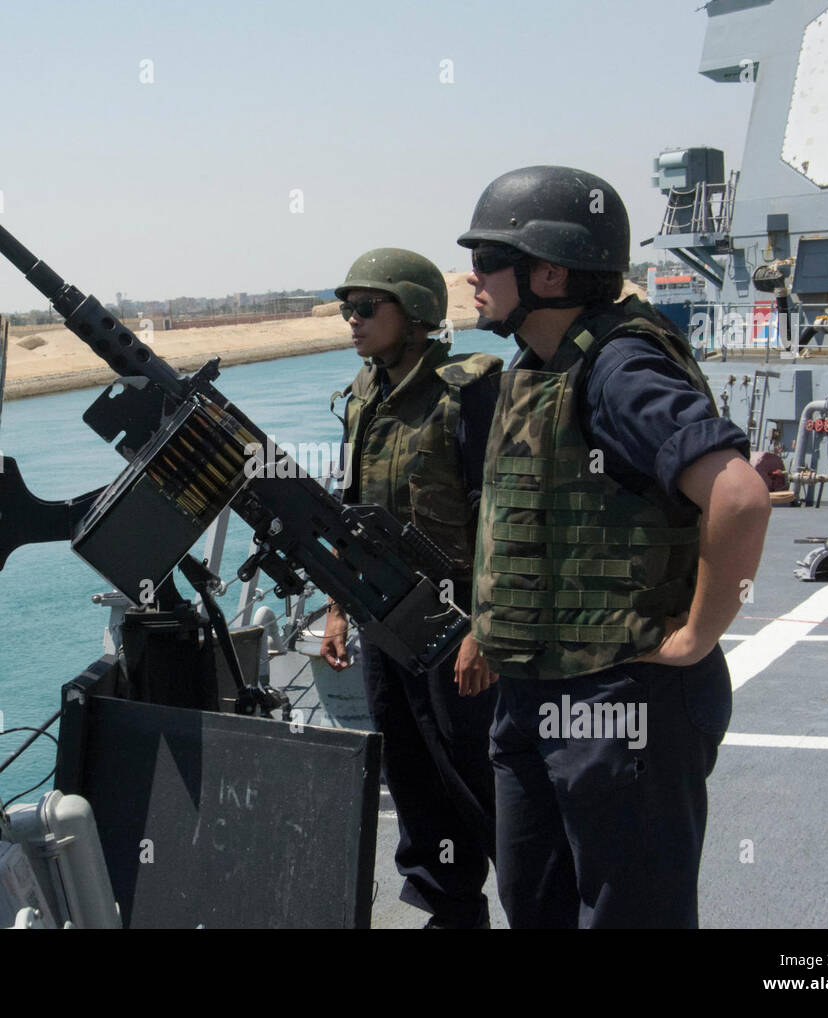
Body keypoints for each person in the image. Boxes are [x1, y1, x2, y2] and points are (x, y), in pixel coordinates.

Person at [456, 167, 770, 928]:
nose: (472, 277)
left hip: (620, 699)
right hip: (535, 693)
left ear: (551, 270)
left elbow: (739, 495)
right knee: (534, 902)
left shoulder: (618, 368)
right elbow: (531, 521)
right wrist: (490, 626)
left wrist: (697, 636)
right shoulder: (537, 368)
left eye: (489, 259)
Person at [320, 247, 501, 928]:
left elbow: (499, 518)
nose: (353, 321)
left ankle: (540, 904)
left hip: (455, 614)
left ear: (417, 312)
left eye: (367, 308)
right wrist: (338, 610)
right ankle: (450, 908)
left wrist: (486, 626)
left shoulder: (467, 393)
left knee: (479, 772)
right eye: (347, 309)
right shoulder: (362, 396)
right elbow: (345, 510)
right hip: (380, 612)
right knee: (411, 767)